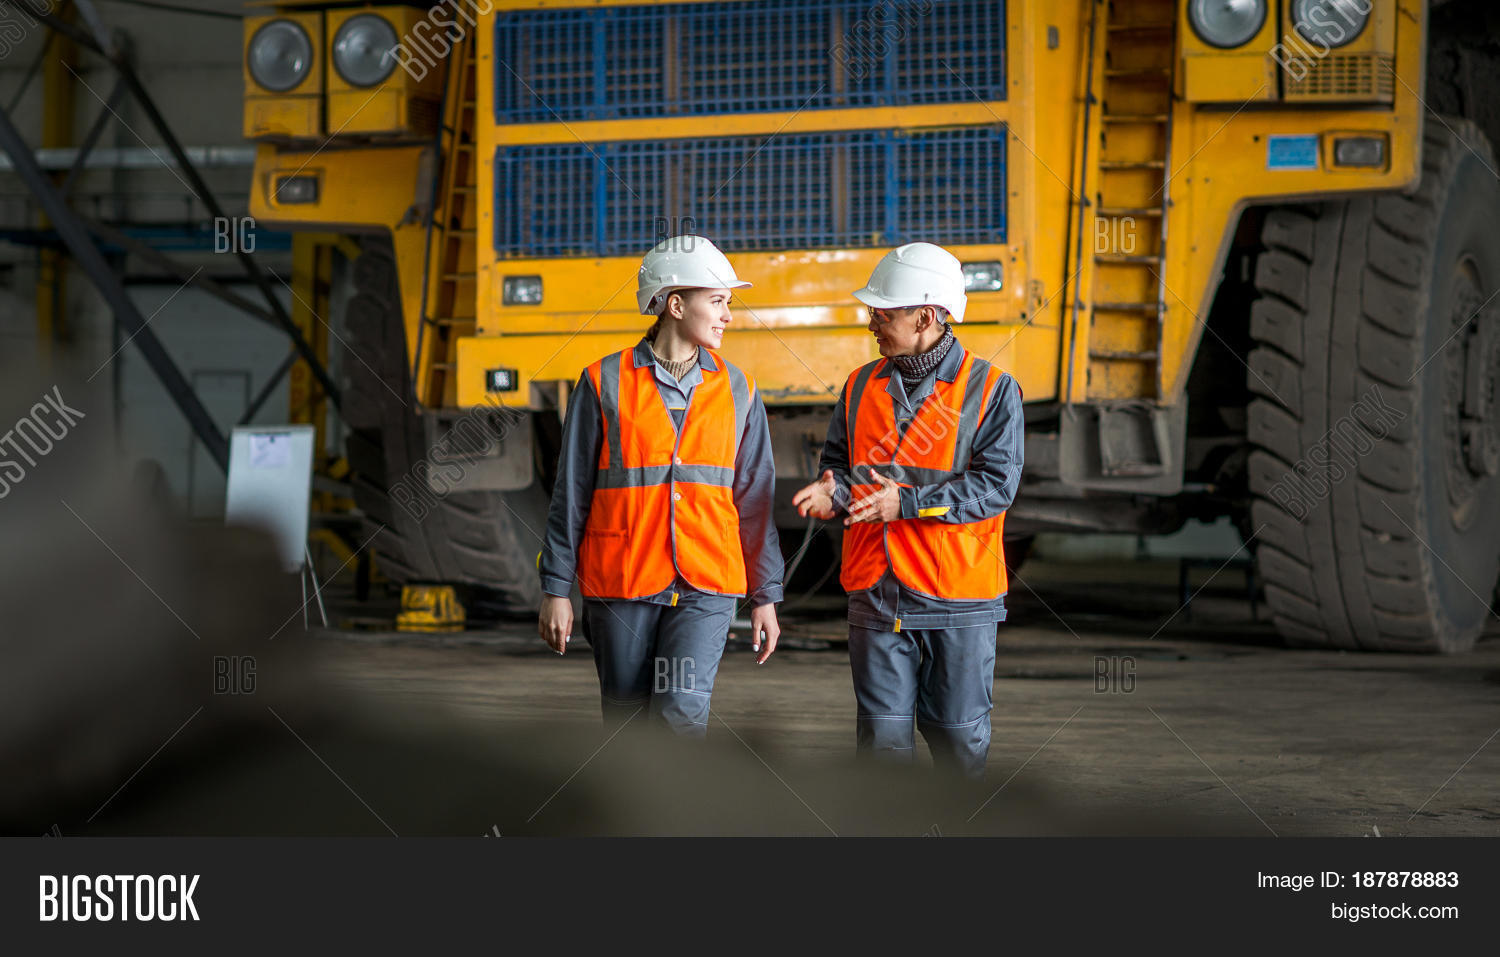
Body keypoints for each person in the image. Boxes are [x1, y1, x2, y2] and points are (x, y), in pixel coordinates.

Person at [792, 242, 1023, 778]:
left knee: (958, 742)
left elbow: (995, 487)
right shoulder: (858, 385)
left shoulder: (991, 389)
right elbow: (843, 467)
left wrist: (909, 504)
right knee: (881, 748)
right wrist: (833, 491)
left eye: (884, 312)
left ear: (925, 316)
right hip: (876, 592)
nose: (871, 321)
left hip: (957, 598)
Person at [538, 235, 783, 736]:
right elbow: (572, 492)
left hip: (705, 586)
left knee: (678, 713)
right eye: (717, 301)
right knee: (626, 724)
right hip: (623, 582)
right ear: (675, 304)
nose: (727, 316)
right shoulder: (603, 381)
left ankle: (676, 817)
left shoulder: (740, 390)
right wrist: (556, 589)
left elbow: (755, 501)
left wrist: (765, 595)